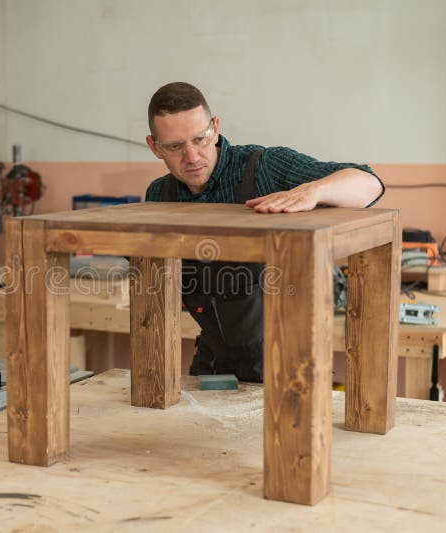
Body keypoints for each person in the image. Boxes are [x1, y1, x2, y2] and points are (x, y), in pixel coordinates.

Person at [144, 82, 384, 382]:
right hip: (215, 360)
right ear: (155, 147)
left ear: (215, 128)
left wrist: (314, 190)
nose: (192, 157)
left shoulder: (264, 168)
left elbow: (369, 183)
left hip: (287, 364)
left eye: (200, 139)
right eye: (175, 147)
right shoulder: (159, 196)